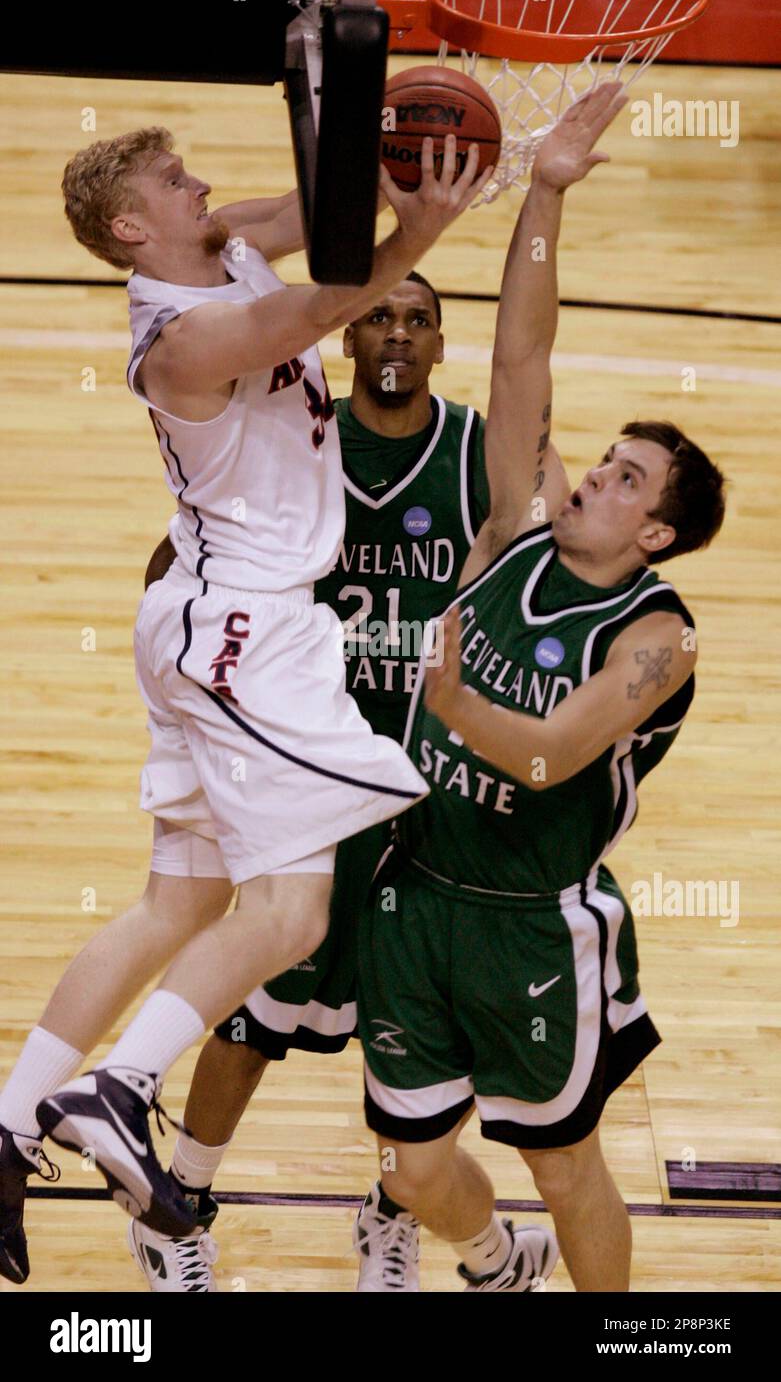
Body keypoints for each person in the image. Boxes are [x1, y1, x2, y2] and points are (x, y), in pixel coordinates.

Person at [0, 127, 492, 1285]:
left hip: (205, 613)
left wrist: (430, 159)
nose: (202, 185)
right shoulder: (184, 342)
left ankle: (10, 1119)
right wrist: (420, 234)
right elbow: (323, 305)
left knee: (181, 900)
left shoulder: (217, 248)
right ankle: (116, 1087)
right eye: (174, 182)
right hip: (246, 634)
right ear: (131, 227)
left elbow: (300, 224)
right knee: (291, 915)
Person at [355, 81, 726, 1292]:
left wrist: (442, 689)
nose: (595, 479)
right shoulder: (516, 522)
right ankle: (485, 1257)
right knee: (411, 1167)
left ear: (657, 535)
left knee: (566, 1171)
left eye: (624, 481)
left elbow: (545, 755)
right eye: (604, 461)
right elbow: (523, 351)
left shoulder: (656, 639)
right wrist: (545, 192)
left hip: (533, 921)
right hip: (418, 891)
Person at [127, 271, 564, 1292]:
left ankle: (390, 1212)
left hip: (424, 792)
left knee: (421, 1025)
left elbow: (532, 587)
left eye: (418, 318)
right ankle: (175, 1204)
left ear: (442, 343)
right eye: (378, 316)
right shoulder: (294, 441)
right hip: (302, 777)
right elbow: (182, 557)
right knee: (253, 1013)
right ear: (346, 337)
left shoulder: (473, 458)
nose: (398, 334)